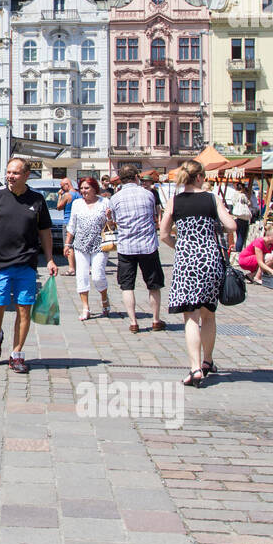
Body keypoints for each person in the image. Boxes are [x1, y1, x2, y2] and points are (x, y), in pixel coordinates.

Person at [0, 157, 56, 375]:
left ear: (26, 175)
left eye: (15, 173)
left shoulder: (37, 200)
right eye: (8, 172)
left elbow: (44, 230)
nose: (10, 176)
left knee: (24, 309)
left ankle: (17, 354)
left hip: (26, 263)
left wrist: (50, 258)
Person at [160, 159, 238, 387]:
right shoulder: (212, 198)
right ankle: (207, 361)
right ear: (200, 177)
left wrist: (181, 244)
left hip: (186, 261)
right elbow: (232, 226)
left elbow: (163, 234)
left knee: (190, 316)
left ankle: (194, 368)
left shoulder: (174, 201)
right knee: (208, 314)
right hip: (210, 259)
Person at [112, 164, 166, 333]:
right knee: (153, 284)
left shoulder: (115, 198)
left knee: (127, 286)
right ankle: (156, 320)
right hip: (147, 245)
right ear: (137, 177)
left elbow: (114, 220)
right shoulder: (148, 195)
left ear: (121, 180)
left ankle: (133, 322)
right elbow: (153, 215)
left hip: (126, 247)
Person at [65, 176, 113, 322]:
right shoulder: (77, 203)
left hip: (100, 244)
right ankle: (85, 308)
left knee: (98, 275)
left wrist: (110, 218)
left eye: (87, 188)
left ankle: (104, 297)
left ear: (94, 189)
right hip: (81, 245)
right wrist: (68, 243)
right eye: (82, 188)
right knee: (82, 276)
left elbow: (112, 225)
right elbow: (72, 224)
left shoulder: (104, 202)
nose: (84, 191)